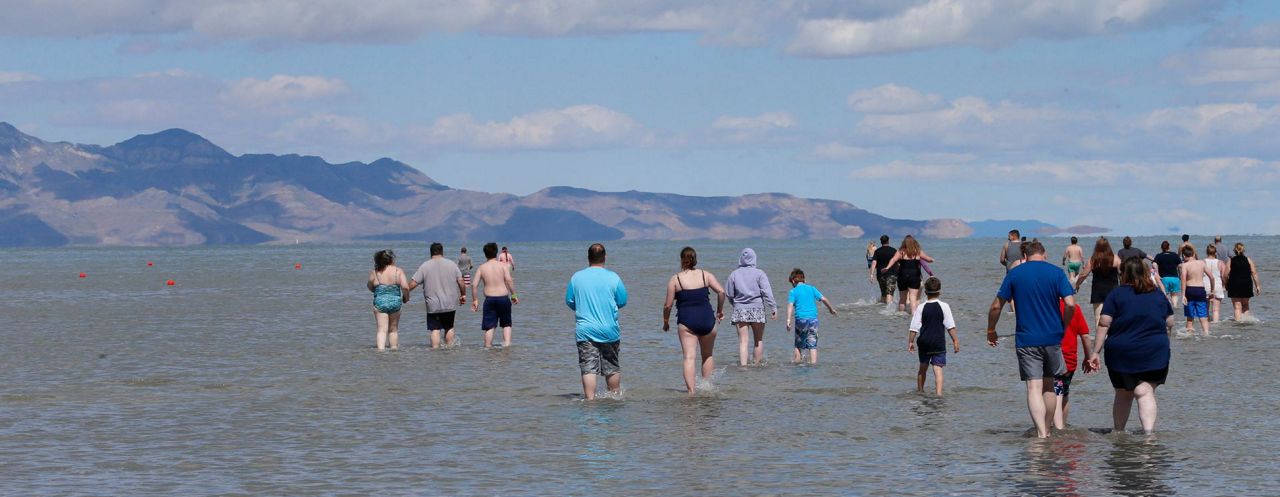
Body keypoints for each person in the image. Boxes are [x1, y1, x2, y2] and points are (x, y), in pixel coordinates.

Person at [986, 241, 1078, 438]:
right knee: (1049, 385)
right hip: (1053, 337)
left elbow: (996, 306)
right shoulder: (1056, 273)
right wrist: (1064, 325)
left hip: (1027, 338)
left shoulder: (1015, 274)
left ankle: (1041, 433)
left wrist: (991, 329)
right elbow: (1070, 304)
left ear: (1024, 257)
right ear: (1044, 254)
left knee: (1033, 387)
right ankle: (1047, 429)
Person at [1085, 257, 1174, 434]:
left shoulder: (1116, 294)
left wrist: (1095, 352)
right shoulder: (1157, 294)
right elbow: (1170, 322)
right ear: (1146, 273)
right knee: (1145, 391)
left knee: (1123, 393)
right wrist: (1166, 342)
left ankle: (1119, 432)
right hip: (1155, 351)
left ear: (1123, 274)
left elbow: (1104, 323)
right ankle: (1148, 435)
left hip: (1121, 352)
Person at [565, 243, 628, 400]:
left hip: (585, 330)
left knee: (588, 368)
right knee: (612, 367)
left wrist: (583, 308)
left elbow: (570, 301)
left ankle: (590, 401)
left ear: (588, 258)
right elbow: (622, 301)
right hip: (610, 329)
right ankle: (614, 397)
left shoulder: (576, 277)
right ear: (604, 258)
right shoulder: (614, 277)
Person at [663, 247, 726, 395]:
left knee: (689, 357)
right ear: (695, 259)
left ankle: (691, 392)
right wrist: (719, 311)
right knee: (708, 355)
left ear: (681, 260)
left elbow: (668, 305)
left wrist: (666, 321)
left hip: (687, 322)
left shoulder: (675, 279)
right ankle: (707, 387)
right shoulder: (706, 275)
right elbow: (722, 292)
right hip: (707, 320)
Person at [725, 248, 777, 366]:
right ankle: (757, 366)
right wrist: (773, 307)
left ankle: (743, 367)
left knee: (743, 342)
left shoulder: (734, 274)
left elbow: (729, 293)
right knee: (758, 340)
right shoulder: (760, 273)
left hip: (740, 310)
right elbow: (767, 292)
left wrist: (735, 304)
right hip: (757, 309)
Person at [408, 242, 466, 348]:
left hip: (432, 305)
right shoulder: (452, 264)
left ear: (431, 253)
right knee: (449, 327)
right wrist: (463, 295)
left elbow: (413, 283)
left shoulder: (425, 266)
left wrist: (404, 295)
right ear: (442, 252)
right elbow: (461, 282)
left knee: (435, 329)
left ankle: (435, 351)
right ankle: (449, 349)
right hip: (450, 303)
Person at [907, 277, 958, 395]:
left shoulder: (921, 307)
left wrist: (911, 342)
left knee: (922, 368)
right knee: (938, 369)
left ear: (925, 292)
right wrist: (955, 340)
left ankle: (920, 391)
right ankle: (939, 394)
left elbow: (914, 327)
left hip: (924, 342)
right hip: (938, 342)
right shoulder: (944, 306)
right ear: (940, 292)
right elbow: (950, 326)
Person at [1054, 298, 1093, 430]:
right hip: (1069, 360)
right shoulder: (1074, 308)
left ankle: (1056, 428)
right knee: (1064, 393)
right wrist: (1088, 357)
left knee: (1054, 393)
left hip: (1051, 358)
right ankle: (1062, 425)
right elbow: (1085, 336)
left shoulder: (1046, 307)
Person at [471, 242, 518, 348]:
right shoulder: (503, 266)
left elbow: (474, 285)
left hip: (489, 299)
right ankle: (506, 346)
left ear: (485, 254)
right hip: (503, 298)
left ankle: (487, 347)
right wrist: (514, 295)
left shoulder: (482, 268)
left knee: (489, 326)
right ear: (496, 253)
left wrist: (475, 300)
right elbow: (509, 280)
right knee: (506, 324)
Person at [786, 268, 837, 364]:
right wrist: (831, 309)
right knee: (812, 345)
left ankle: (797, 363)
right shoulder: (812, 288)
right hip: (813, 320)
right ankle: (813, 365)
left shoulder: (793, 291)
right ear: (804, 280)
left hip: (801, 320)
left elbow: (790, 305)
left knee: (798, 344)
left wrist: (788, 320)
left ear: (793, 281)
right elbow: (824, 299)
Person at [367, 249, 411, 351]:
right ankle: (394, 350)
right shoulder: (398, 271)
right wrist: (407, 297)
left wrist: (376, 291)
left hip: (380, 302)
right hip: (395, 303)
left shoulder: (375, 272)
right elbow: (405, 287)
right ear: (391, 259)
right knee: (393, 330)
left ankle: (381, 351)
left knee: (381, 330)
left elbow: (369, 286)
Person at [1074, 237, 1121, 327]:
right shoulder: (1116, 258)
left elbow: (1083, 275)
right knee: (1114, 319)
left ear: (1097, 247)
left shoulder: (1093, 260)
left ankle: (1100, 339)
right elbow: (1122, 274)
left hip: (1098, 293)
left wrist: (1077, 285)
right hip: (1114, 292)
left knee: (1099, 320)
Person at [881, 235, 935, 314]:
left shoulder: (900, 251)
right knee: (913, 298)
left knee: (902, 299)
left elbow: (893, 259)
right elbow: (928, 259)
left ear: (904, 242)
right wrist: (932, 259)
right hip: (914, 276)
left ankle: (901, 315)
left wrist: (887, 267)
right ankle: (914, 315)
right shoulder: (917, 251)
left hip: (902, 276)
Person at [1178, 245, 1214, 336]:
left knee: (1190, 317)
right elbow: (1212, 277)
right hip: (1200, 290)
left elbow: (1183, 280)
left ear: (1184, 256)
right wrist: (1212, 290)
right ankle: (1206, 334)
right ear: (1193, 254)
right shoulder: (1201, 263)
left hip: (1189, 290)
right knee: (1203, 316)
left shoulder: (1184, 265)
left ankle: (1189, 336)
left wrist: (1183, 295)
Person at [1224, 243, 1261, 321]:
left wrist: (1226, 284)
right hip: (1246, 284)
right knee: (1246, 305)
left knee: (1237, 307)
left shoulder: (1231, 261)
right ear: (1243, 250)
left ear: (1234, 250)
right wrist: (1257, 286)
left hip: (1234, 285)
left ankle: (1238, 325)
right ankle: (1247, 323)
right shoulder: (1248, 260)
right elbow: (1254, 273)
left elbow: (1225, 275)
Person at [1152, 241, 1182, 308]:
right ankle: (1175, 306)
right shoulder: (1175, 255)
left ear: (1161, 248)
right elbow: (1180, 266)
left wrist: (1157, 273)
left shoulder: (1159, 256)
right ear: (1169, 247)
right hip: (1175, 278)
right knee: (1174, 294)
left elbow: (1154, 264)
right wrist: (1180, 275)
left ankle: (1167, 307)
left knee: (1164, 295)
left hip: (1164, 278)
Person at [869, 235, 897, 305]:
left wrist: (871, 274)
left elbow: (874, 262)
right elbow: (898, 262)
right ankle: (888, 311)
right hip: (891, 274)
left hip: (880, 275)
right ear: (888, 241)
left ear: (881, 242)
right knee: (889, 293)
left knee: (883, 294)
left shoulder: (877, 251)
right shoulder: (893, 250)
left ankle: (882, 310)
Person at [1204, 244, 1227, 322]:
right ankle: (1216, 325)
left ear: (1207, 252)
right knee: (1216, 310)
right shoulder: (1221, 263)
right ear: (1215, 252)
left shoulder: (1202, 262)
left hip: (1205, 286)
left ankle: (1206, 326)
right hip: (1217, 286)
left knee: (1205, 309)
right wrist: (1224, 285)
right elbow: (1223, 276)